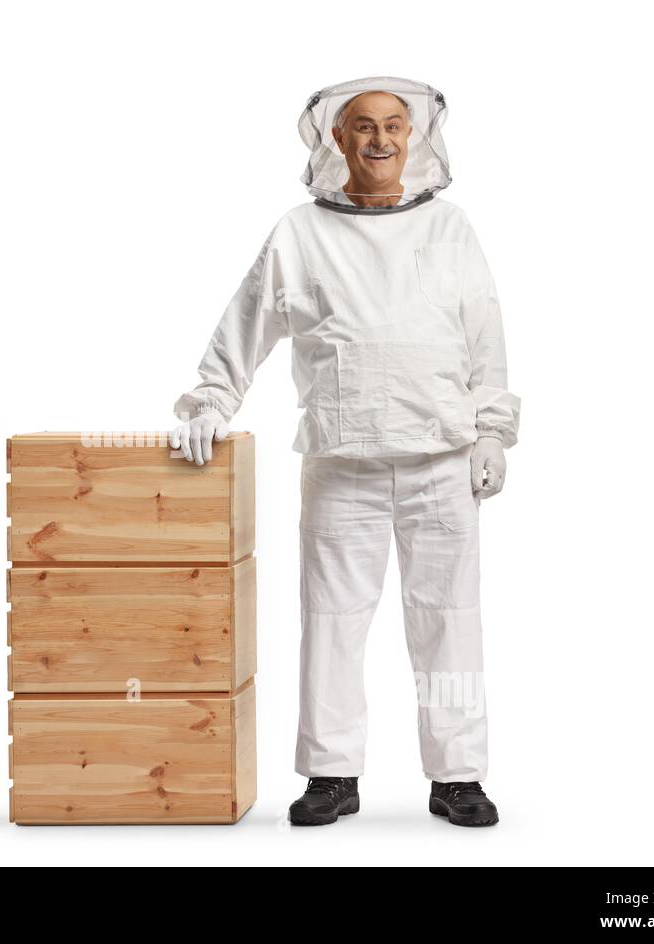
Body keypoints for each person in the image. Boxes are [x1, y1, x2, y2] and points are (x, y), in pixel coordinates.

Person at [169, 77, 520, 827]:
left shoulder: (450, 227)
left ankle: (457, 776)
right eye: (364, 127)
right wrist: (209, 402)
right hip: (341, 460)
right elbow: (247, 319)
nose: (381, 140)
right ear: (336, 139)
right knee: (331, 619)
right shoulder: (300, 232)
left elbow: (483, 334)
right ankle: (331, 773)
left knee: (449, 619)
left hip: (441, 458)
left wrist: (493, 429)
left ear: (415, 136)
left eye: (395, 126)